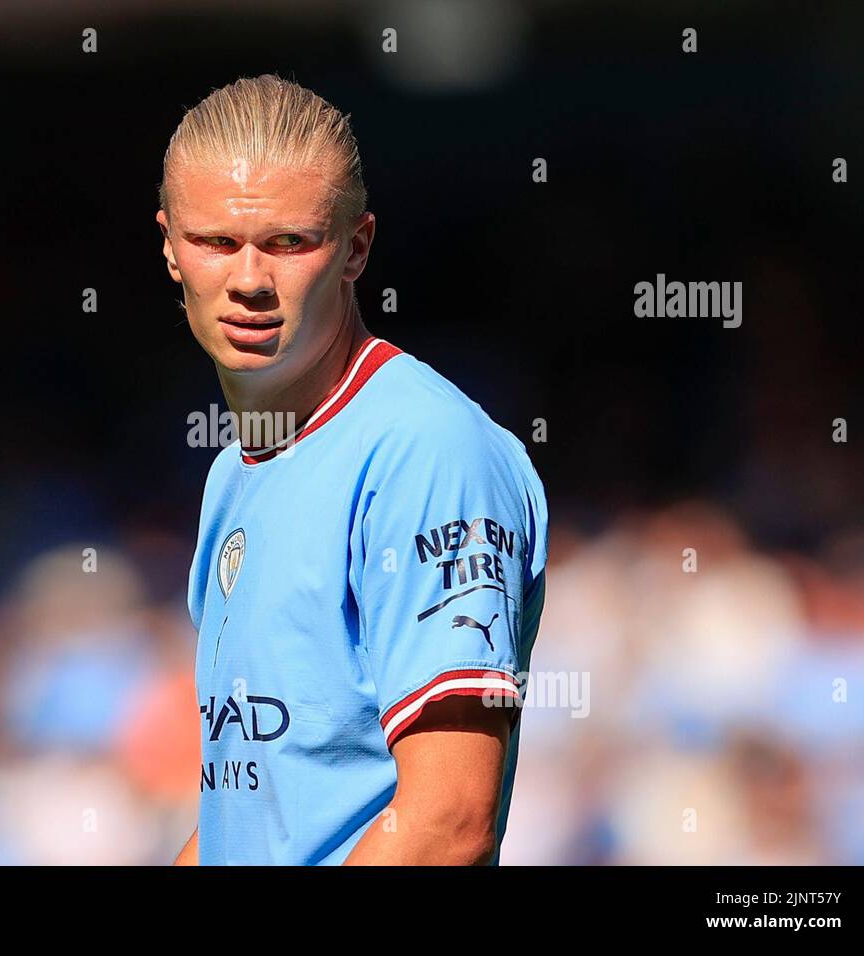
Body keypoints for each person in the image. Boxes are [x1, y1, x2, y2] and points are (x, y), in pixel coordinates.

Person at [157, 74, 548, 865]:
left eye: (288, 242)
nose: (249, 280)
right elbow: (261, 812)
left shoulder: (427, 450)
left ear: (357, 247)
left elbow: (447, 823)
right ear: (170, 247)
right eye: (216, 242)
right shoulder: (234, 472)